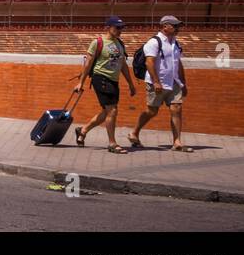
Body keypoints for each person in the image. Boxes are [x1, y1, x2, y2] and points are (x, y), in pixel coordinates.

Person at [73, 16, 136, 153]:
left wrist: (131, 83)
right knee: (112, 110)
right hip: (100, 77)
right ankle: (112, 144)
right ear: (108, 27)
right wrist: (81, 83)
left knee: (107, 111)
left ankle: (83, 131)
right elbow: (88, 63)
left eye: (121, 28)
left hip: (114, 80)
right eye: (117, 28)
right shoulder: (98, 42)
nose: (120, 30)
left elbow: (123, 65)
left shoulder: (119, 43)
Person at [130, 15, 191, 151]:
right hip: (157, 83)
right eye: (174, 26)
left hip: (174, 82)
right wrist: (156, 82)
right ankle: (134, 132)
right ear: (165, 26)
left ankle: (177, 142)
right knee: (151, 111)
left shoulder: (176, 43)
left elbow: (178, 63)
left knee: (176, 108)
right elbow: (149, 62)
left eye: (178, 26)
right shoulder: (154, 42)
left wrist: (183, 82)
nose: (177, 29)